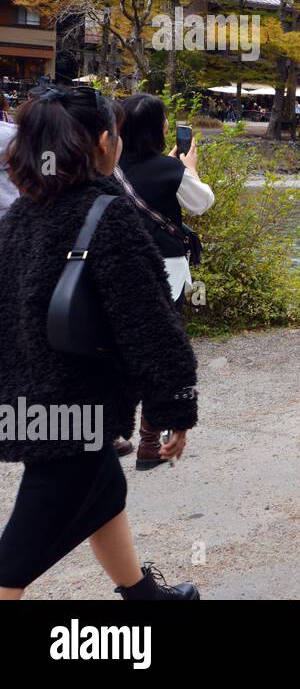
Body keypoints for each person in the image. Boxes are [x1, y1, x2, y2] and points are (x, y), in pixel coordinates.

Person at [0, 85, 199, 600]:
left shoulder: (20, 215)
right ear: (106, 141)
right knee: (18, 555)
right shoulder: (107, 214)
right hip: (73, 406)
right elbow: (149, 323)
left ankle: (142, 596)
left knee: (104, 490)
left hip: (27, 400)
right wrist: (174, 405)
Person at [116, 94, 215, 468]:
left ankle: (109, 433)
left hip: (116, 272)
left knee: (118, 350)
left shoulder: (107, 167)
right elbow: (202, 202)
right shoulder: (170, 169)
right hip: (167, 273)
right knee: (161, 353)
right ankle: (149, 442)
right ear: (159, 129)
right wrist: (188, 169)